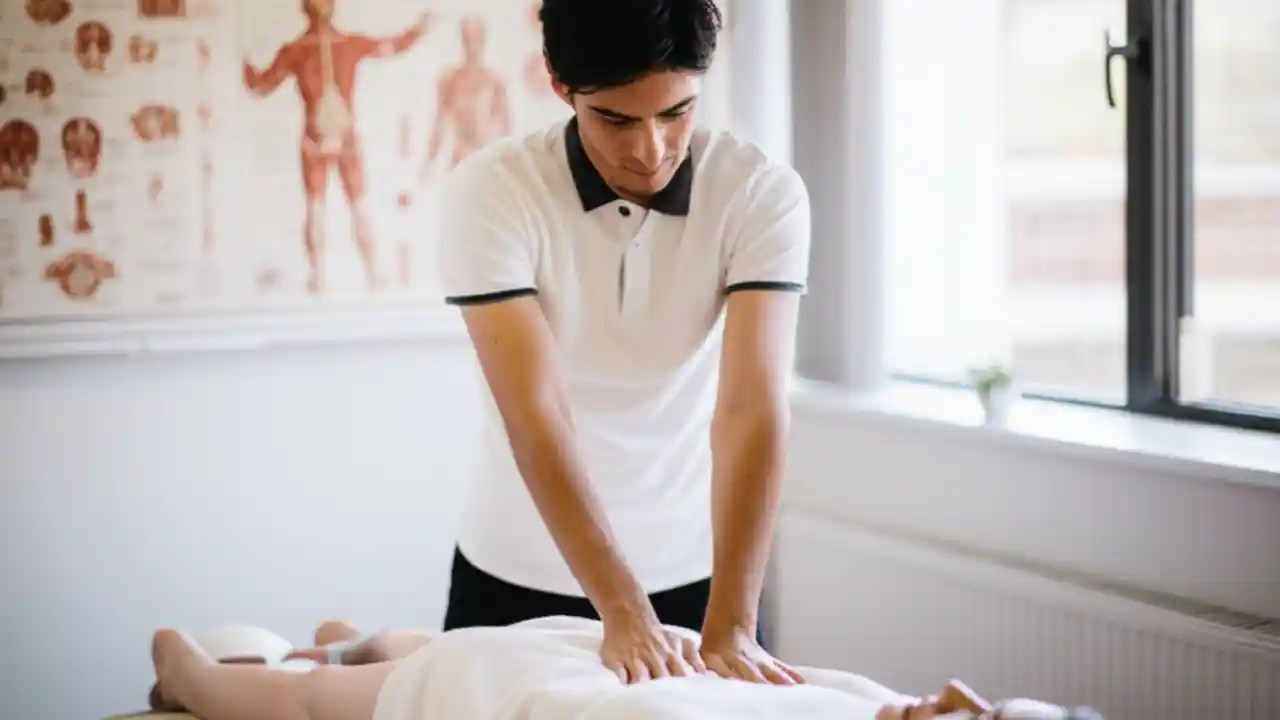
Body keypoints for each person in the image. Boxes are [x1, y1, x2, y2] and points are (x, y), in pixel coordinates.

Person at [432, 0, 809, 689]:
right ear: (561, 87)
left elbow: (751, 408)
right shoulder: (491, 191)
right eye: (616, 119)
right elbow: (538, 412)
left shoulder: (759, 191)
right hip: (515, 569)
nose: (651, 150)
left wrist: (733, 623)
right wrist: (624, 610)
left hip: (698, 577)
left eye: (677, 112)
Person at [145, 616, 1104, 720]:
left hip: (559, 680)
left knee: (320, 698)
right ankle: (364, 638)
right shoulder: (880, 706)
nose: (956, 696)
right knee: (461, 650)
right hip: (596, 660)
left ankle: (189, 672)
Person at [242, 0, 430, 294]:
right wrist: (420, 29)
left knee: (316, 207)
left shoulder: (296, 50)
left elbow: (260, 86)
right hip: (346, 140)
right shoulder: (349, 45)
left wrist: (241, 58)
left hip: (314, 141)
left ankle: (318, 277)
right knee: (358, 205)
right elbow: (393, 46)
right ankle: (373, 274)